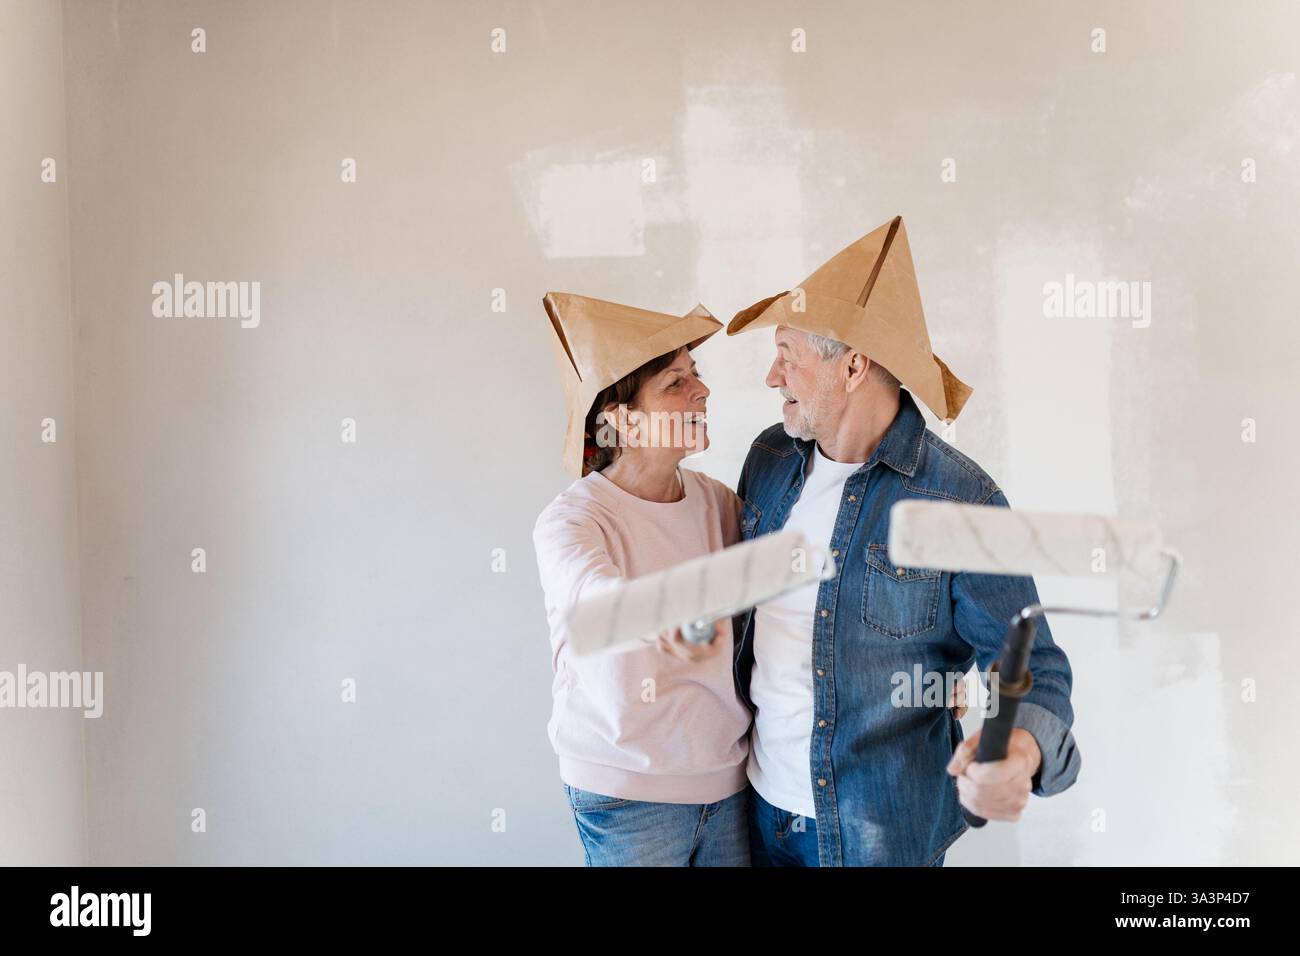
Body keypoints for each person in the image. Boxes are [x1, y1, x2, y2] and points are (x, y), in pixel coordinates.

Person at [726, 216, 1083, 866]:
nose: (771, 378)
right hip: (754, 815)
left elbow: (1033, 669)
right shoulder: (769, 459)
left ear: (854, 365)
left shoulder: (960, 502)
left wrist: (1017, 753)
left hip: (876, 837)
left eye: (787, 354)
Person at [532, 292, 752, 866]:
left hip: (730, 785)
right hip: (626, 794)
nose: (701, 391)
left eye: (695, 375)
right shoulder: (573, 520)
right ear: (622, 419)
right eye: (675, 382)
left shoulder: (718, 504)